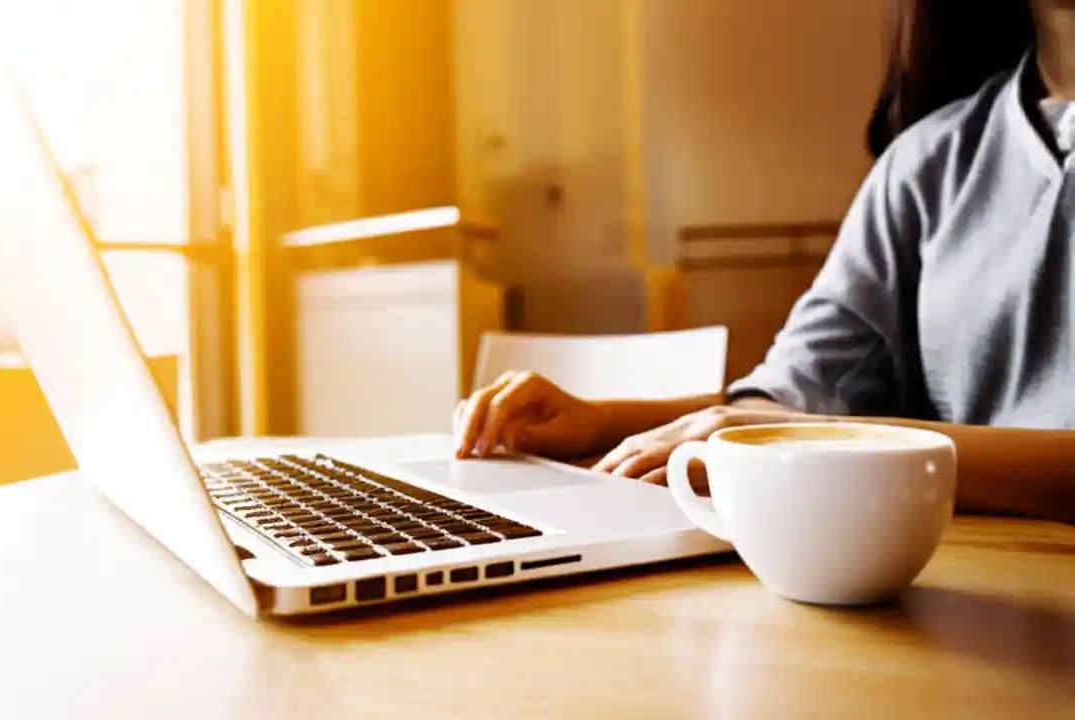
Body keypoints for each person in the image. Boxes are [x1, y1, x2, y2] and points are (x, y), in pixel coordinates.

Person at [453, 0, 1075, 524]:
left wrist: (805, 442)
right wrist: (603, 420)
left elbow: (806, 431)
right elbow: (798, 396)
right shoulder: (927, 163)